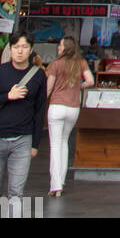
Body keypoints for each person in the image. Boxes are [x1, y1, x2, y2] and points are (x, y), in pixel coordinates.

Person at [0, 30, 47, 206]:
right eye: (16, 47)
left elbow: (40, 109)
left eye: (24, 47)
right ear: (10, 50)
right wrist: (7, 96)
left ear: (31, 49)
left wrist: (35, 144)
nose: (20, 51)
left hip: (23, 140)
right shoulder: (1, 72)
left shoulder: (38, 75)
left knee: (16, 192)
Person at [45, 35, 94, 196]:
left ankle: (56, 185)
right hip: (73, 108)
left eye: (60, 45)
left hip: (57, 106)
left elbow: (48, 89)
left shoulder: (56, 64)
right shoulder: (80, 63)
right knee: (64, 142)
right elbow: (90, 81)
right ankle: (61, 181)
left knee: (55, 145)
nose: (58, 48)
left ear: (65, 47)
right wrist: (79, 86)